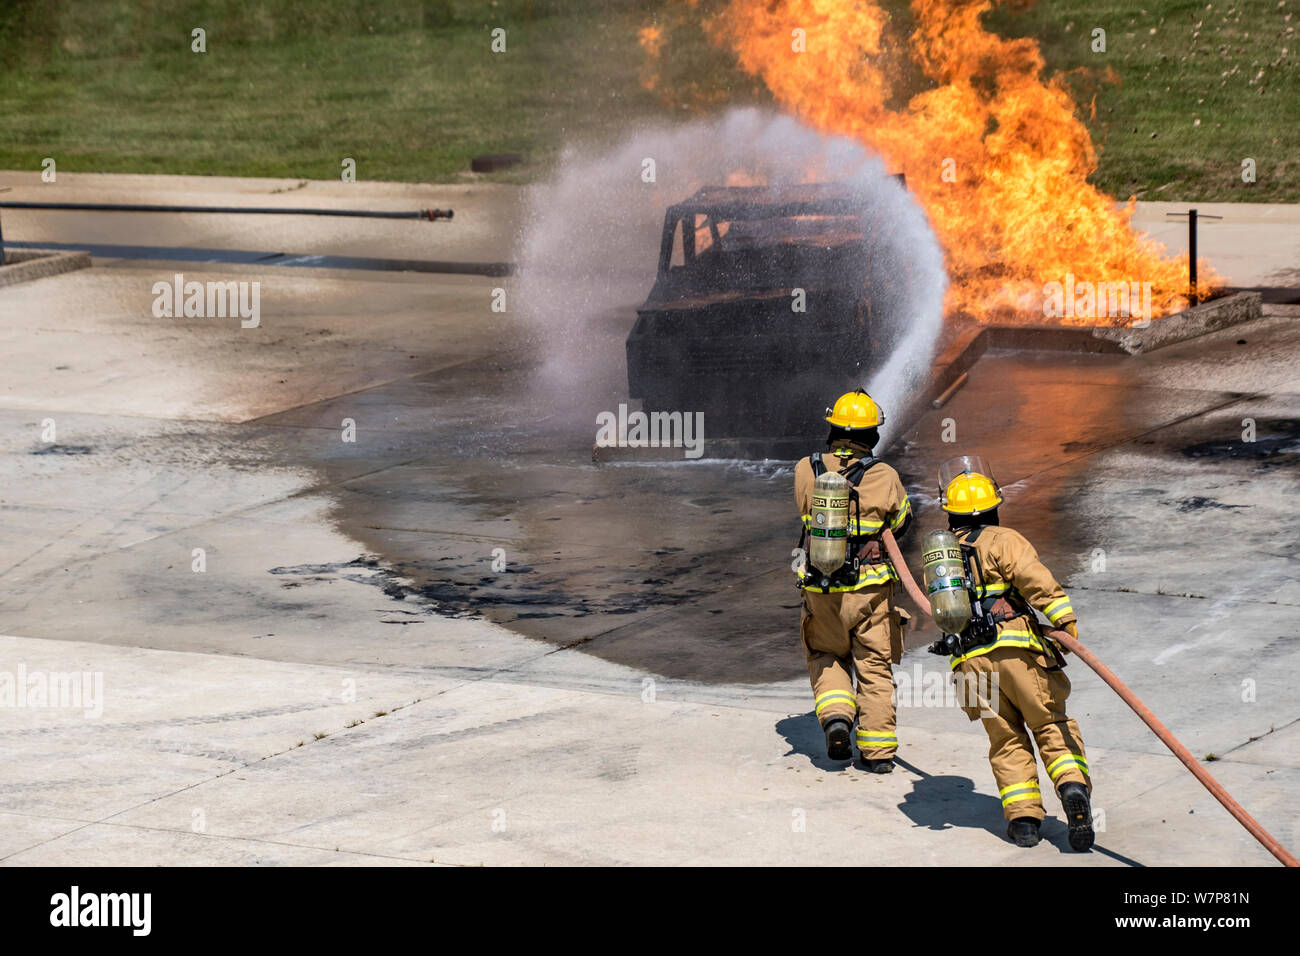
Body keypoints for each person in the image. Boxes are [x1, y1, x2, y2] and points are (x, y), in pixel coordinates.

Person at [935, 455, 1094, 850]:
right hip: (1016, 650)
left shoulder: (940, 557)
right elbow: (1038, 583)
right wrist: (1065, 626)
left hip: (968, 665)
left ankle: (1023, 821)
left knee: (1004, 740)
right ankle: (1072, 787)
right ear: (993, 506)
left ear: (950, 514)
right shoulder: (1005, 541)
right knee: (1049, 724)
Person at [793, 389, 912, 772]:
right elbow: (902, 521)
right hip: (870, 592)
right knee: (874, 666)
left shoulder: (805, 468)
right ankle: (878, 755)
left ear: (833, 428)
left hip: (821, 589)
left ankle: (838, 719)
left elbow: (803, 514)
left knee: (825, 655)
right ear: (872, 435)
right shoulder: (885, 475)